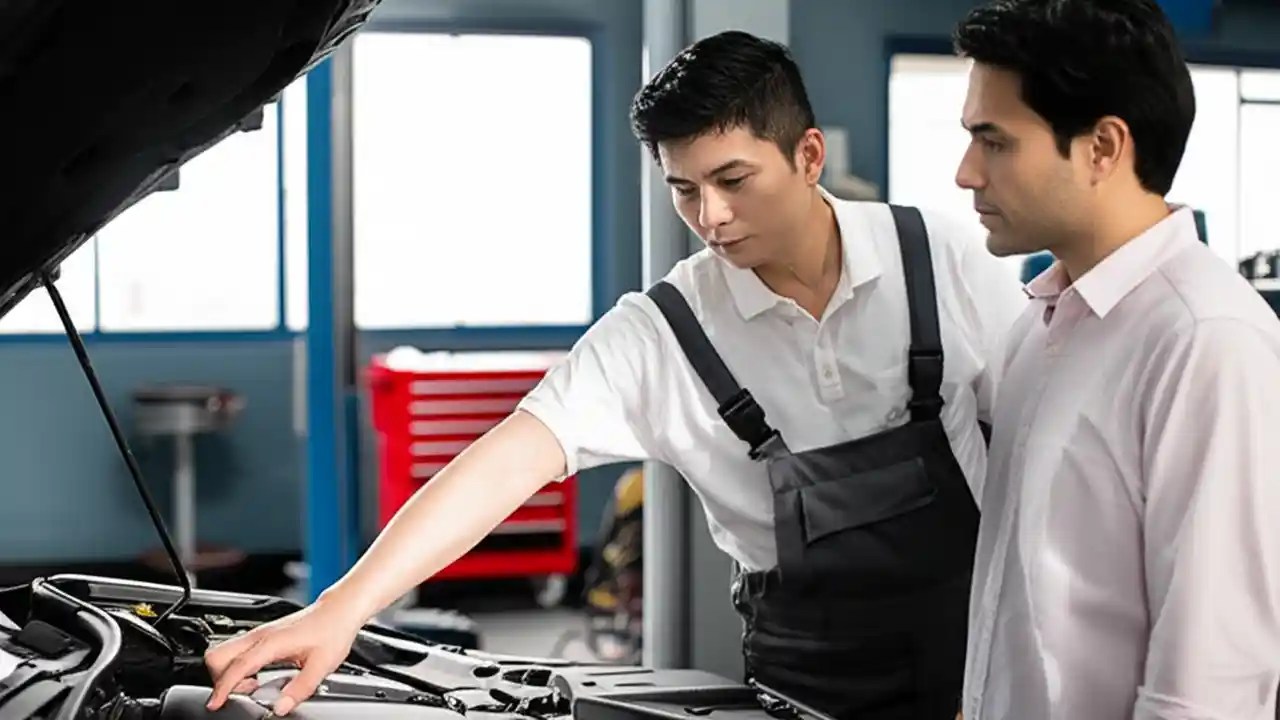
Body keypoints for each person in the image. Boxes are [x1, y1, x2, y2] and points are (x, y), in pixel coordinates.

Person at [204, 30, 1026, 719]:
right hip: (809, 682)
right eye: (684, 190)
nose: (711, 218)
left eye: (733, 181)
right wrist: (342, 608)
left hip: (986, 657)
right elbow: (506, 461)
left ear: (808, 155)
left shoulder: (940, 257)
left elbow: (1040, 445)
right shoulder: (664, 331)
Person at [950, 1, 1280, 718]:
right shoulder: (1038, 327)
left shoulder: (1205, 340)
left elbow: (1207, 688)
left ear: (1102, 147)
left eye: (994, 141)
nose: (965, 173)